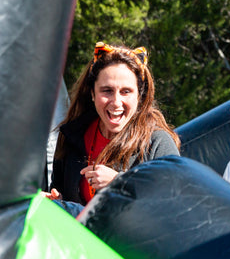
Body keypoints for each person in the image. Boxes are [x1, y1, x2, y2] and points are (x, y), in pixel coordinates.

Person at [45, 42, 180, 212]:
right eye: (107, 90)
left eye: (126, 92)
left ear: (139, 95)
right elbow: (61, 192)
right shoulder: (71, 135)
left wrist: (121, 182)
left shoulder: (157, 143)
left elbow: (176, 203)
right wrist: (57, 200)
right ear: (92, 93)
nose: (116, 102)